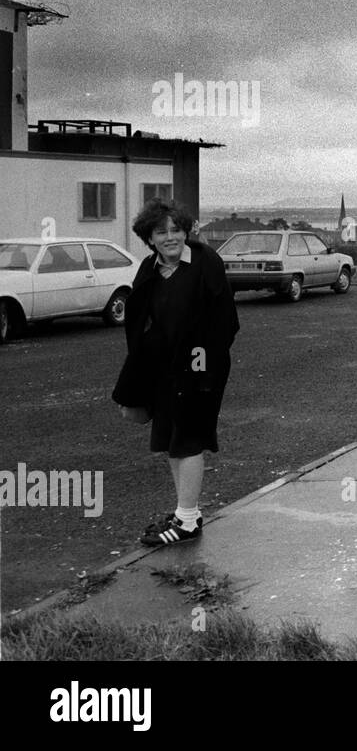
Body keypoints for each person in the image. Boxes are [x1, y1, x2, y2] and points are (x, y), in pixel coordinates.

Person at [112, 198, 239, 545]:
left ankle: (185, 523)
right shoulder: (149, 268)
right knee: (170, 440)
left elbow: (224, 322)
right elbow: (139, 324)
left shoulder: (204, 262)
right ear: (149, 237)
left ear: (186, 231)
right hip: (162, 369)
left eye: (176, 230)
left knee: (189, 438)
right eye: (161, 232)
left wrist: (200, 367)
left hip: (199, 367)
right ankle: (188, 510)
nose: (171, 237)